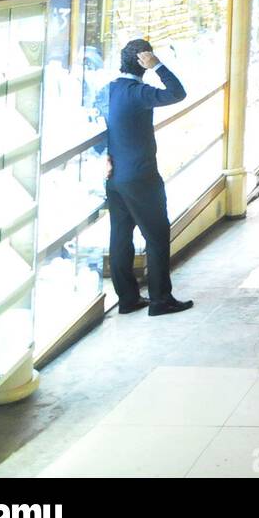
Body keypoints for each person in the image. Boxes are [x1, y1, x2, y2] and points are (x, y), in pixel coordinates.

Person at [101, 39, 192, 316]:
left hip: (114, 177)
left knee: (120, 236)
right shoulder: (138, 92)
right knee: (156, 236)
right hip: (141, 176)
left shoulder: (110, 90)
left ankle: (128, 299)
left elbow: (96, 122)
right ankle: (160, 299)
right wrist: (159, 66)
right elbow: (177, 93)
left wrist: (102, 153)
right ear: (144, 61)